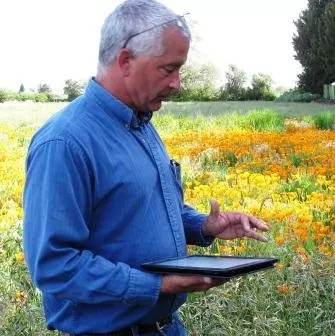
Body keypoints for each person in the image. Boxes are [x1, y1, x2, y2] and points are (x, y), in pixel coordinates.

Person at [23, 1, 269, 335]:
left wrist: (204, 227)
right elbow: (53, 265)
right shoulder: (65, 143)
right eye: (169, 69)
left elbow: (140, 213)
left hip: (166, 328)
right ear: (125, 60)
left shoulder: (141, 123)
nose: (178, 83)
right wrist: (156, 284)